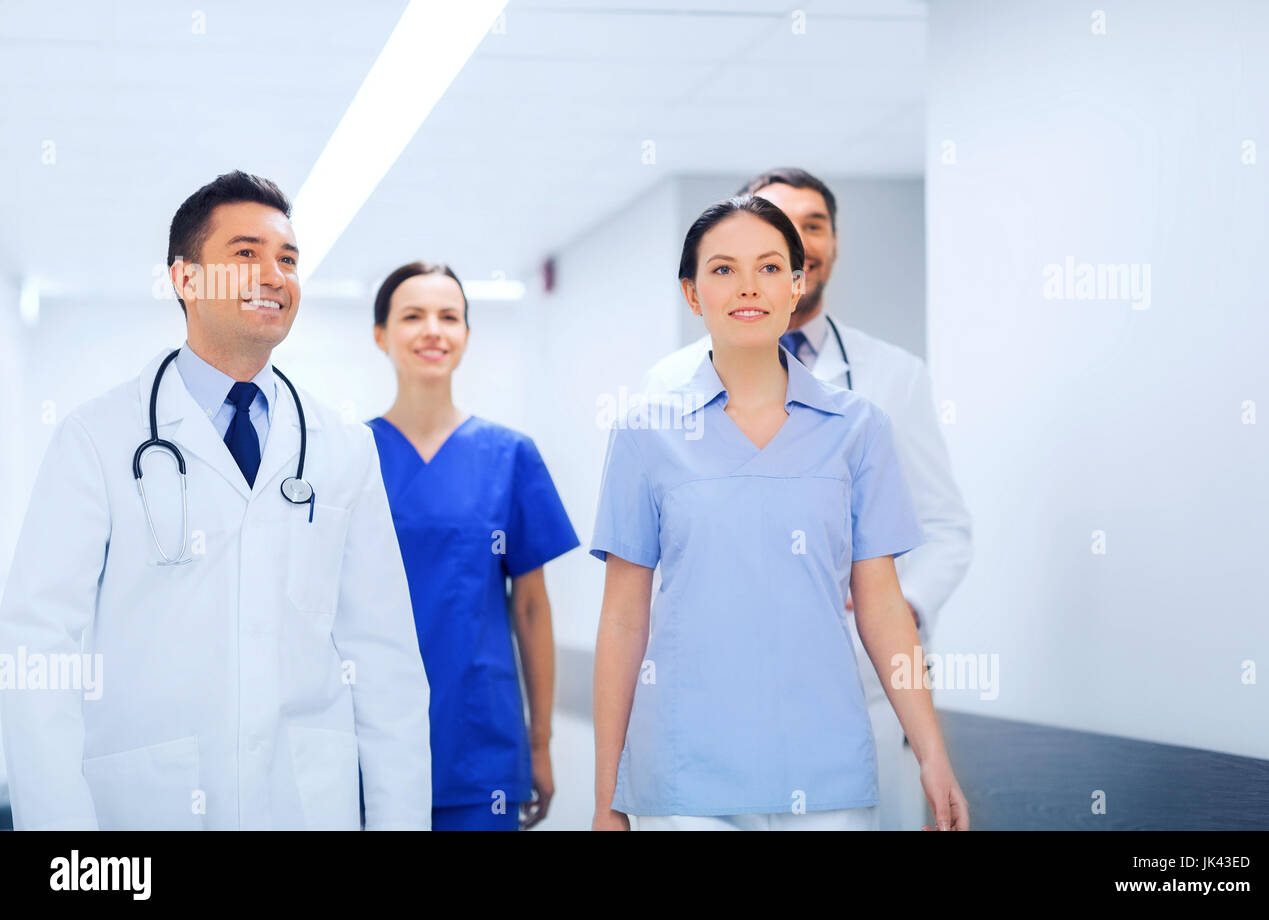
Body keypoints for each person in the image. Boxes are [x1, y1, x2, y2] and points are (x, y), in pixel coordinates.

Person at [0, 171, 431, 830]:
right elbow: (39, 648)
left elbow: (386, 661)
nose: (274, 274)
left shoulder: (342, 447)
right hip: (146, 810)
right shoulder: (97, 438)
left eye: (287, 259)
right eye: (245, 254)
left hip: (306, 805)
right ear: (185, 279)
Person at [590, 194, 970, 831]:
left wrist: (932, 753)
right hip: (687, 768)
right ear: (692, 293)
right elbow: (623, 620)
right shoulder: (643, 432)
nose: (748, 287)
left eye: (769, 268)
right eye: (722, 269)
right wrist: (606, 801)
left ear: (797, 285)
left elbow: (881, 606)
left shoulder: (858, 429)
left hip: (824, 766)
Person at [368, 262, 580, 831]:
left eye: (449, 317)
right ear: (381, 334)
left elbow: (532, 609)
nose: (432, 329)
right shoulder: (351, 458)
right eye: (412, 316)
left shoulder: (510, 456)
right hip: (370, 741)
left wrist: (540, 743)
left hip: (482, 741)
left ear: (465, 337)